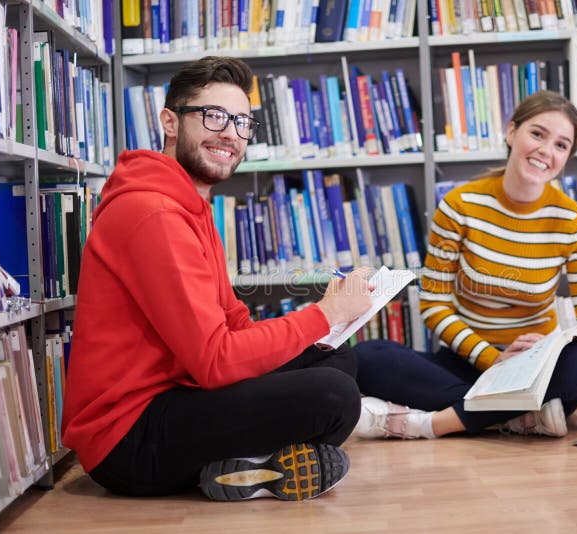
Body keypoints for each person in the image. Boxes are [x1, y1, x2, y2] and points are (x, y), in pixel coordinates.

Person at [61, 57, 374, 502]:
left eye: (242, 122)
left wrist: (328, 325)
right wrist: (325, 313)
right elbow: (215, 361)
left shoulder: (191, 205)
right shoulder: (154, 214)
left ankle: (238, 466)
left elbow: (234, 326)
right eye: (214, 116)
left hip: (179, 391)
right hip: (128, 439)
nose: (230, 134)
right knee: (333, 396)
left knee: (334, 357)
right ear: (170, 121)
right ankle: (253, 464)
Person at [352, 90, 577, 440]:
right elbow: (434, 305)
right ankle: (519, 418)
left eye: (561, 145)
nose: (546, 150)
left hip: (535, 372)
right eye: (538, 134)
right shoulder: (459, 205)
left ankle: (430, 423)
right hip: (467, 362)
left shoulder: (574, 224)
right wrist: (491, 360)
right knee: (367, 356)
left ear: (567, 158)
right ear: (512, 132)